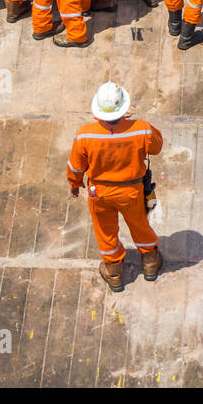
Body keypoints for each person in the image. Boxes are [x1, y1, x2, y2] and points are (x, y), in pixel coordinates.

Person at [67, 82, 163, 292]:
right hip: (131, 191)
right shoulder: (142, 129)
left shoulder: (85, 135)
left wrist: (75, 185)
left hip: (98, 193)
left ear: (98, 110)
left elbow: (75, 167)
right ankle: (150, 263)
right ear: (123, 108)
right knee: (139, 224)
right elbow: (156, 147)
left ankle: (114, 273)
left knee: (105, 230)